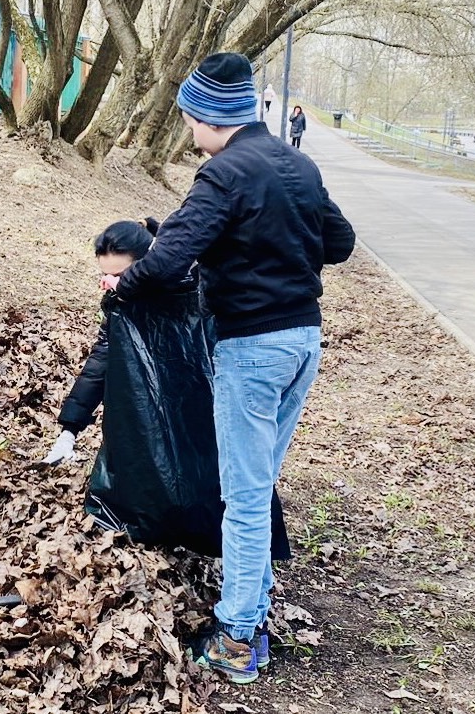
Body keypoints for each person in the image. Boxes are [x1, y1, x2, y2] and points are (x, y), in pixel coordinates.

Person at [103, 52, 355, 684]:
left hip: (251, 350)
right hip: (303, 343)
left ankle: (238, 638)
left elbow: (164, 262)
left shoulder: (224, 175)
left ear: (212, 117)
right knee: (258, 480)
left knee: (241, 497)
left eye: (191, 116)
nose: (189, 129)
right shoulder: (298, 165)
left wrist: (120, 290)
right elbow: (338, 242)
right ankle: (256, 608)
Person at [40, 218, 169, 466]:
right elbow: (101, 362)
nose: (109, 283)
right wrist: (69, 431)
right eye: (105, 275)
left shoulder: (180, 296)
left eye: (120, 275)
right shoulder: (119, 303)